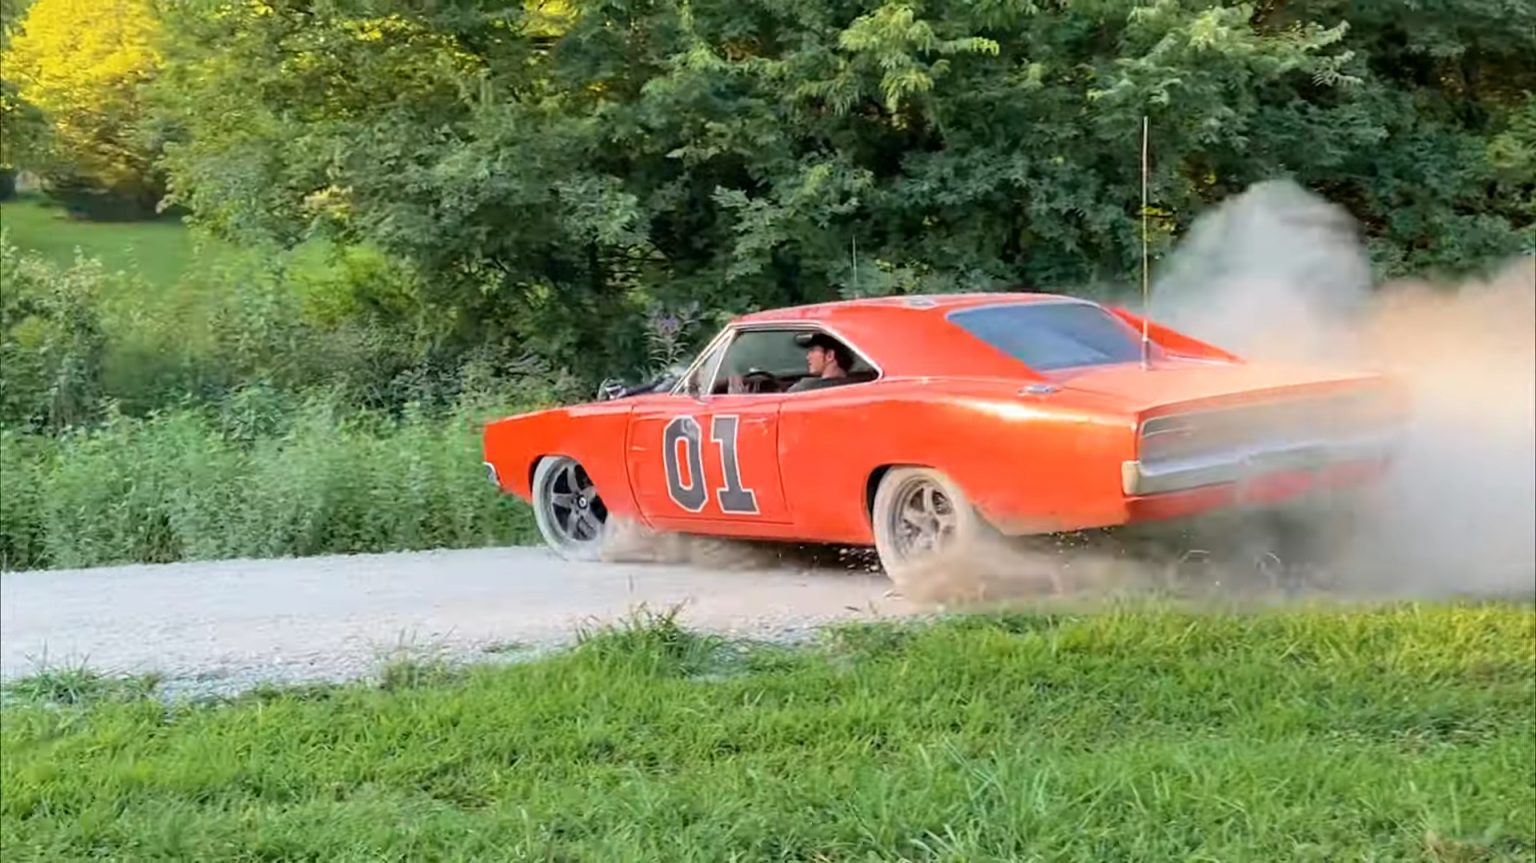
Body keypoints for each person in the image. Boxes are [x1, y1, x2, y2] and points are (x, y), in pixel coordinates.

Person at [787, 331, 855, 392]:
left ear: (829, 355)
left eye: (812, 350)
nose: (808, 357)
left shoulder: (802, 390)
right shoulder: (856, 389)